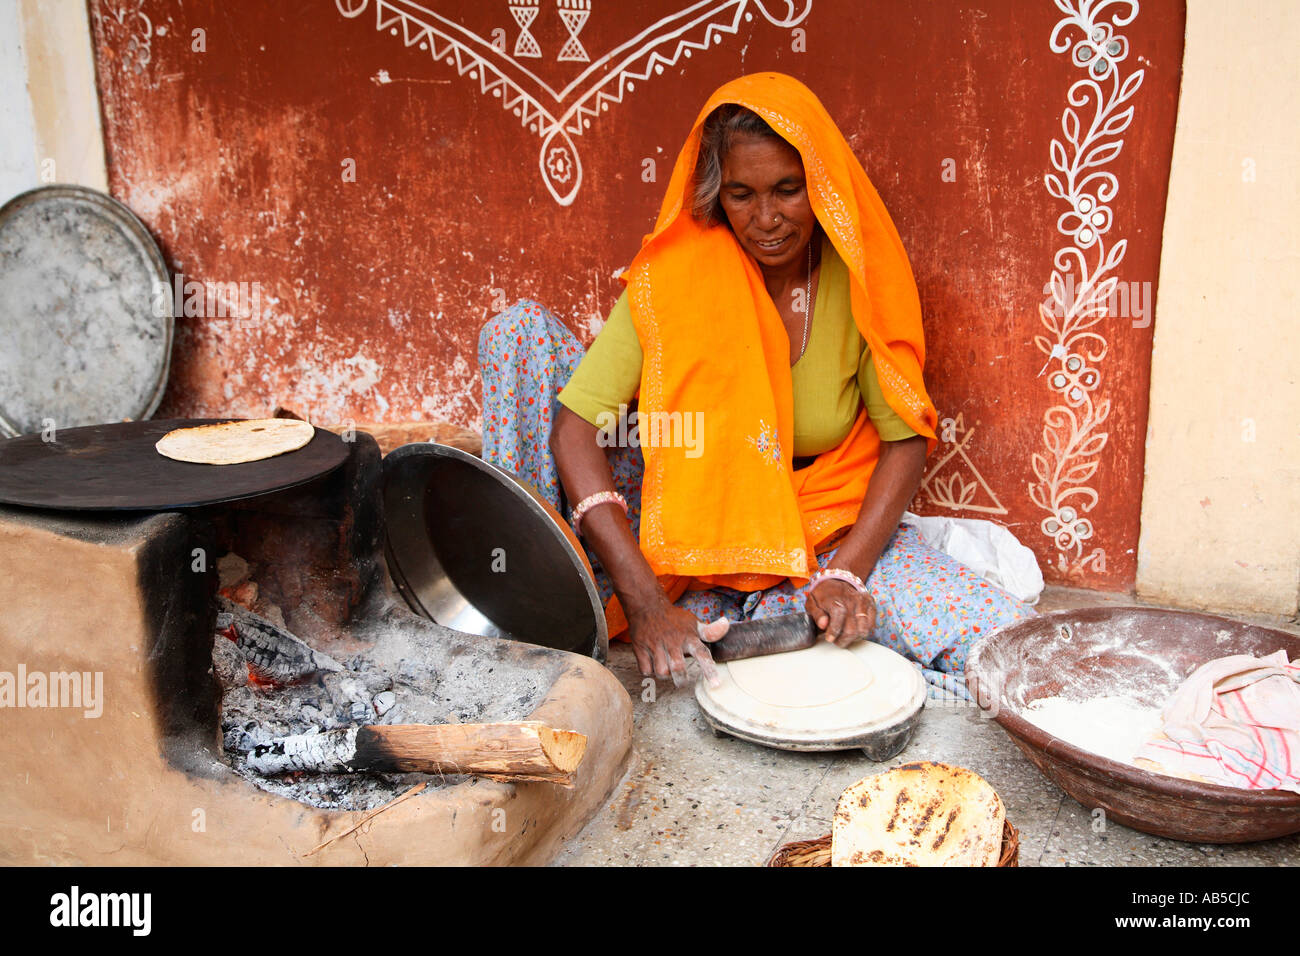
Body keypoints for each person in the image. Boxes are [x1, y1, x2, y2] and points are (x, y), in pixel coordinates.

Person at [479, 72, 1033, 699]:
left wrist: (848, 577)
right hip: (691, 531)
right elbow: (575, 426)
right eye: (741, 194)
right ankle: (750, 623)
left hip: (823, 532)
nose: (766, 219)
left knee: (1004, 643)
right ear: (718, 196)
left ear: (818, 186)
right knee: (515, 333)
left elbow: (904, 440)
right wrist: (642, 599)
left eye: (787, 190)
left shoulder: (857, 282)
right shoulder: (679, 279)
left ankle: (772, 624)